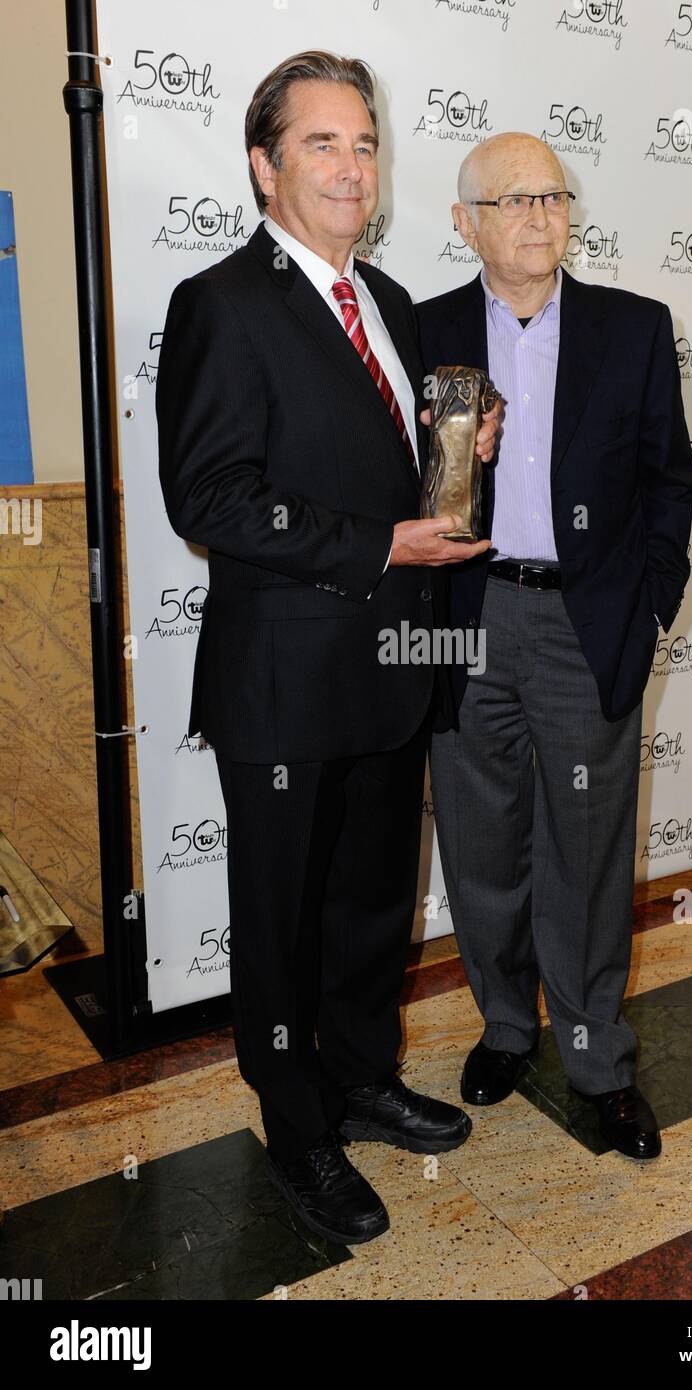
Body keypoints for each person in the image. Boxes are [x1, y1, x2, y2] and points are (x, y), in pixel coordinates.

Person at [156, 51, 499, 1246]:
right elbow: (210, 498)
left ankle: (358, 1076)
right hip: (284, 686)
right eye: (322, 144)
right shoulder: (221, 302)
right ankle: (296, 1124)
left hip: (389, 670)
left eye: (363, 143)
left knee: (365, 908)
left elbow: (390, 473)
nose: (352, 165)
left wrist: (462, 458)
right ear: (265, 164)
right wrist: (381, 542)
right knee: (282, 917)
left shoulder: (392, 303)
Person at [417, 132, 692, 1160]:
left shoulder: (632, 328)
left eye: (553, 195)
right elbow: (404, 486)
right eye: (513, 199)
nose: (540, 214)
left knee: (586, 847)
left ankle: (595, 1056)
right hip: (471, 615)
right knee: (484, 837)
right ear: (467, 223)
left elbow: (672, 480)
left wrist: (649, 600)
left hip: (588, 622)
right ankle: (505, 1024)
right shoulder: (430, 329)